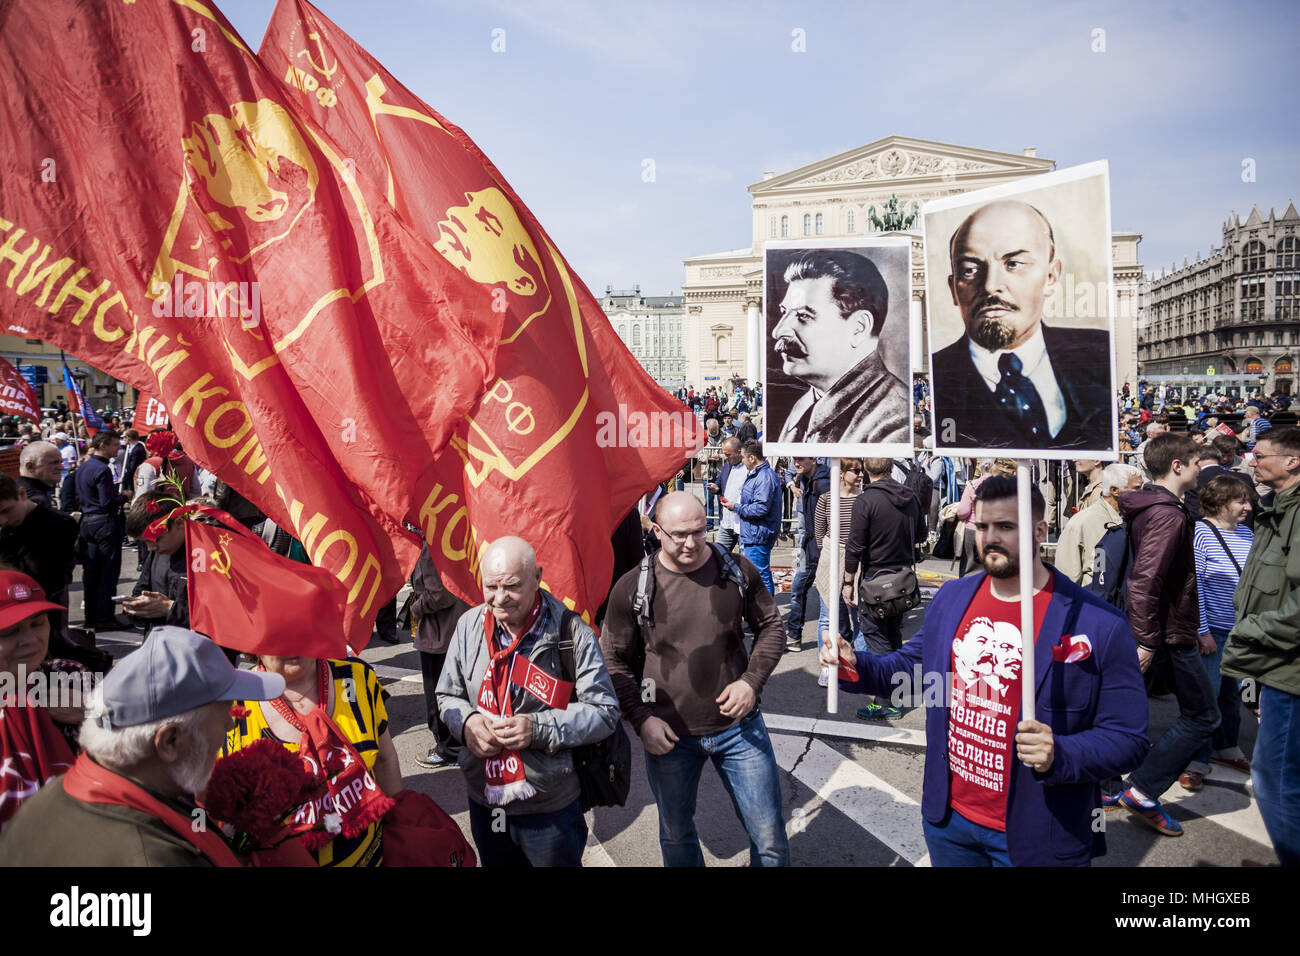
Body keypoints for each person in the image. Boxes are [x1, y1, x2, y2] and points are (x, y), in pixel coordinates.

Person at [821, 477, 1148, 865]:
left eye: (1006, 527)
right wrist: (856, 665)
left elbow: (1129, 738)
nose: (991, 538)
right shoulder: (953, 597)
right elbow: (910, 669)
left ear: (1040, 532)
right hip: (951, 825)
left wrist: (1060, 752)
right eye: (983, 526)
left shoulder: (1099, 624)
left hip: (1039, 829)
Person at [600, 492, 789, 866]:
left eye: (699, 531)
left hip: (740, 731)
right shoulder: (632, 587)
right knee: (676, 834)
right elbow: (613, 659)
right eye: (679, 534)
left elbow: (771, 626)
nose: (691, 542)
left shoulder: (736, 570)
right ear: (656, 531)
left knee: (768, 838)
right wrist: (641, 720)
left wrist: (751, 682)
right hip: (669, 738)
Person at [0, 626, 284, 866]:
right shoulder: (154, 856)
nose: (230, 727)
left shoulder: (57, 795)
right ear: (170, 742)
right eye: (224, 716)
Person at [436, 536, 619, 867]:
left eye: (512, 586)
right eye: (491, 587)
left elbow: (604, 711)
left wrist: (537, 728)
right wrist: (468, 724)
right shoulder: (468, 626)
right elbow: (447, 694)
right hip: (485, 798)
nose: (500, 598)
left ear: (537, 576)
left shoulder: (570, 632)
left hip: (548, 806)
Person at [930, 200, 1111, 450]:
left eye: (1013, 264)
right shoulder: (938, 376)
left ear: (1051, 277)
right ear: (953, 288)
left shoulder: (1101, 355)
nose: (991, 285)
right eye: (970, 270)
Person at [1106, 433, 1216, 836]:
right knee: (1204, 715)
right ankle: (1143, 790)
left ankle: (1106, 784)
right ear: (1177, 466)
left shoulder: (1152, 504)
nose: (1199, 468)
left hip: (1162, 628)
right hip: (1168, 632)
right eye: (1195, 461)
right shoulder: (1168, 513)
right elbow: (1145, 580)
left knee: (1122, 709)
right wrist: (1148, 640)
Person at [225, 651, 403, 866]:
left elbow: (385, 759)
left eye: (301, 623)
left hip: (371, 857)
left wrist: (400, 830)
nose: (292, 642)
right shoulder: (231, 707)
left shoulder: (357, 677)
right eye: (276, 631)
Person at [1222, 427, 1300, 866]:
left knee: (1276, 781)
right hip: (1277, 664)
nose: (1253, 460)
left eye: (1262, 454)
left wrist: (1248, 632)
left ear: (1293, 461)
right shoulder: (1276, 509)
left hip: (1290, 671)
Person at [772, 250, 909, 445]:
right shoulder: (804, 406)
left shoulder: (894, 422)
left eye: (803, 316)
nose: (778, 331)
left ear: (859, 328)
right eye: (784, 312)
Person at [1180, 475, 1256, 791]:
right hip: (1213, 635)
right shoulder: (1200, 534)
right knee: (1206, 698)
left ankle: (1227, 748)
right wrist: (1203, 631)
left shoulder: (1249, 534)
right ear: (1222, 503)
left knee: (1232, 694)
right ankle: (1195, 760)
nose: (1248, 507)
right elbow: (1194, 586)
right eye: (1241, 501)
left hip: (1242, 633)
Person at [0, 570, 81, 833]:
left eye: (38, 624)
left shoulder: (71, 676)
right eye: (10, 632)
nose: (31, 640)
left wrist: (95, 713)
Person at [843, 458, 923, 720]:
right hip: (902, 579)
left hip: (875, 581)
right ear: (890, 468)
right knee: (893, 636)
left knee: (878, 640)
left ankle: (887, 702)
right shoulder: (910, 497)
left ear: (866, 470)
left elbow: (855, 546)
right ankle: (900, 692)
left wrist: (847, 582)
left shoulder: (866, 501)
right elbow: (921, 535)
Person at [409, 544, 470, 769]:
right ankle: (456, 745)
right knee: (459, 691)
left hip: (440, 634)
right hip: (458, 629)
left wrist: (416, 608)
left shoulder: (434, 546)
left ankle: (448, 750)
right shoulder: (457, 537)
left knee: (437, 695)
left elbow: (441, 594)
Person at [0, 474, 79, 645]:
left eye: (6, 511)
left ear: (22, 495)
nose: (3, 520)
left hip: (41, 618)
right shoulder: (4, 529)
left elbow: (49, 580)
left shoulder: (59, 524)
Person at [813, 458, 864, 684]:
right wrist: (833, 556)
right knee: (826, 616)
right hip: (832, 559)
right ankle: (827, 666)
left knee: (859, 615)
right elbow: (819, 534)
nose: (861, 474)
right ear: (841, 472)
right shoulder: (826, 499)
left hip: (857, 561)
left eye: (862, 470)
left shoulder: (863, 500)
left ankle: (860, 666)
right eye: (856, 470)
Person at [1053, 463, 1143, 587]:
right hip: (1095, 601)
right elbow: (1067, 580)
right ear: (1115, 490)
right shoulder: (1081, 523)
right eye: (1137, 488)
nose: (1143, 493)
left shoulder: (1138, 519)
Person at [74, 428, 128, 630]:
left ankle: (91, 616)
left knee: (91, 572)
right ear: (103, 445)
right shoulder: (101, 469)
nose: (118, 449)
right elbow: (106, 502)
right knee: (107, 571)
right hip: (103, 521)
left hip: (88, 521)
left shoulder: (84, 467)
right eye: (115, 445)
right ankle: (104, 617)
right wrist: (125, 496)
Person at [122, 489, 190, 632]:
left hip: (197, 648)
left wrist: (170, 608)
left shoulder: (209, 556)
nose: (150, 548)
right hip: (158, 643)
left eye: (155, 540)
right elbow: (141, 588)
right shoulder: (158, 552)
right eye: (144, 542)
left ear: (179, 523)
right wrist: (136, 607)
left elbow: (221, 615)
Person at [785, 456, 831, 652]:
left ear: (813, 459)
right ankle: (794, 635)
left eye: (800, 460)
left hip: (822, 548)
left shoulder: (824, 482)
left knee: (828, 599)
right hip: (809, 546)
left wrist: (824, 546)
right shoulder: (804, 477)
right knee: (797, 588)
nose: (796, 464)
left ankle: (835, 646)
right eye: (794, 460)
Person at [730, 441, 781, 594]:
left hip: (758, 533)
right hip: (754, 531)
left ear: (752, 458)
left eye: (744, 458)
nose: (743, 461)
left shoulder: (764, 477)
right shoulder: (760, 474)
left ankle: (767, 613)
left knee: (760, 576)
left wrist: (736, 507)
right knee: (756, 575)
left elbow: (760, 508)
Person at [707, 437, 744, 551]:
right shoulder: (728, 464)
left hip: (743, 521)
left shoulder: (749, 467)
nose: (726, 457)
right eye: (725, 454)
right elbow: (721, 480)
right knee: (718, 555)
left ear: (739, 452)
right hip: (727, 521)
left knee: (745, 560)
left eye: (728, 454)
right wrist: (716, 487)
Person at [17, 441, 62, 508]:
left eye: (61, 462)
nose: (61, 467)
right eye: (54, 462)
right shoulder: (34, 500)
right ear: (30, 466)